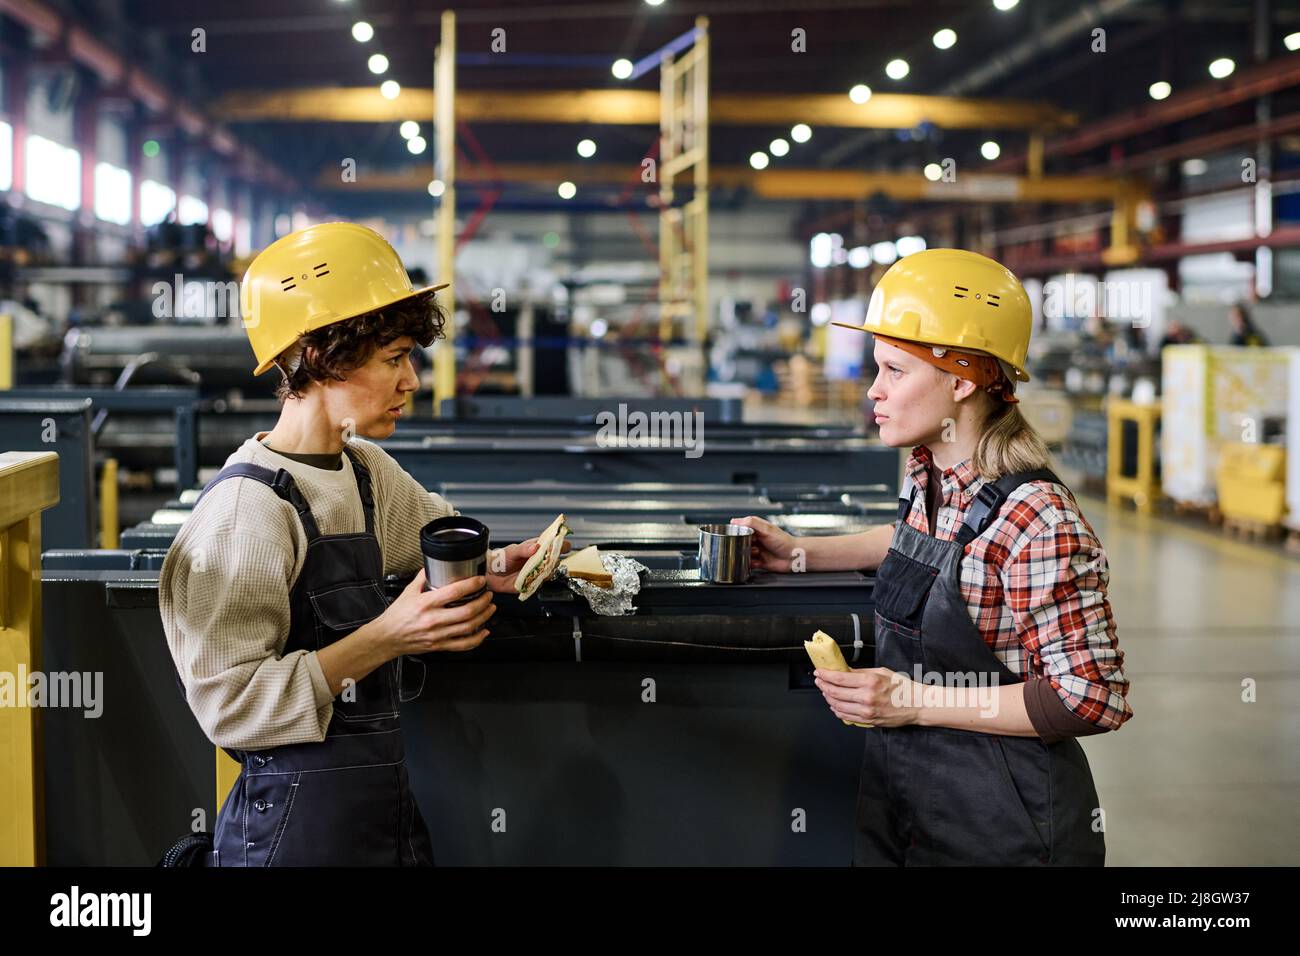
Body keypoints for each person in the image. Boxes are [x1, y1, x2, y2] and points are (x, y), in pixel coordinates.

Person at [160, 222, 551, 866]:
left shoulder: (365, 472)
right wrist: (388, 638)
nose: (412, 382)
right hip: (290, 832)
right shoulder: (246, 512)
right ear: (321, 358)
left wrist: (501, 564)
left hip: (380, 820)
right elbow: (228, 708)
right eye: (394, 358)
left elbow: (430, 539)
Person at [732, 249, 1132, 865]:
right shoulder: (933, 474)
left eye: (895, 370)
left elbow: (1088, 696)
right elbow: (923, 544)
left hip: (1005, 827)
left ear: (962, 380)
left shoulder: (1036, 516)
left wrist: (911, 700)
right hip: (910, 806)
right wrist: (803, 555)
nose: (874, 391)